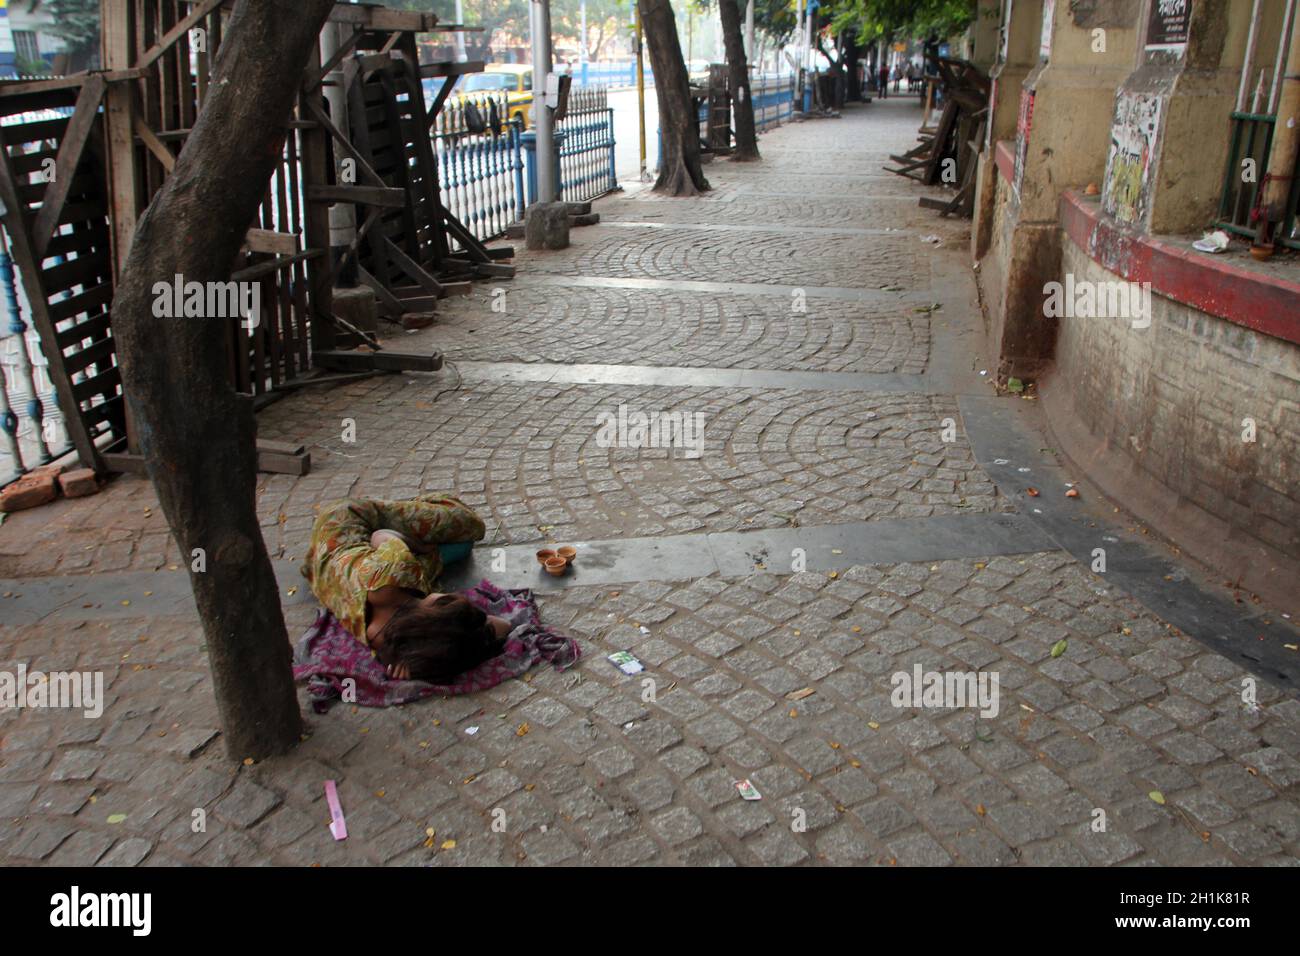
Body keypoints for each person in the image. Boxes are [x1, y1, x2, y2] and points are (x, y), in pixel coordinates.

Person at [301, 494, 509, 683]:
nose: (442, 596)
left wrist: (416, 548)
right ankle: (415, 514)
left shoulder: (389, 583)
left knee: (470, 524)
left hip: (345, 521)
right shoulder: (389, 640)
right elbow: (503, 626)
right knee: (462, 542)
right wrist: (415, 665)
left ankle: (413, 512)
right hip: (336, 567)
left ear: (427, 620)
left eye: (441, 602)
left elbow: (380, 535)